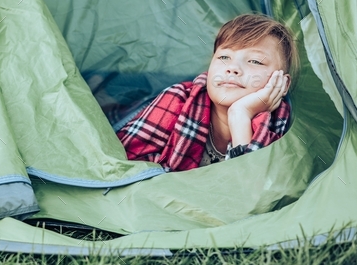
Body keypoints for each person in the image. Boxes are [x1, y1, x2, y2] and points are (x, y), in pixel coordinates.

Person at [116, 13, 299, 171]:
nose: (233, 68)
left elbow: (253, 192)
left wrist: (240, 115)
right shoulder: (178, 99)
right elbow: (116, 164)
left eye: (255, 61)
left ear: (283, 82)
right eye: (224, 57)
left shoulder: (280, 127)